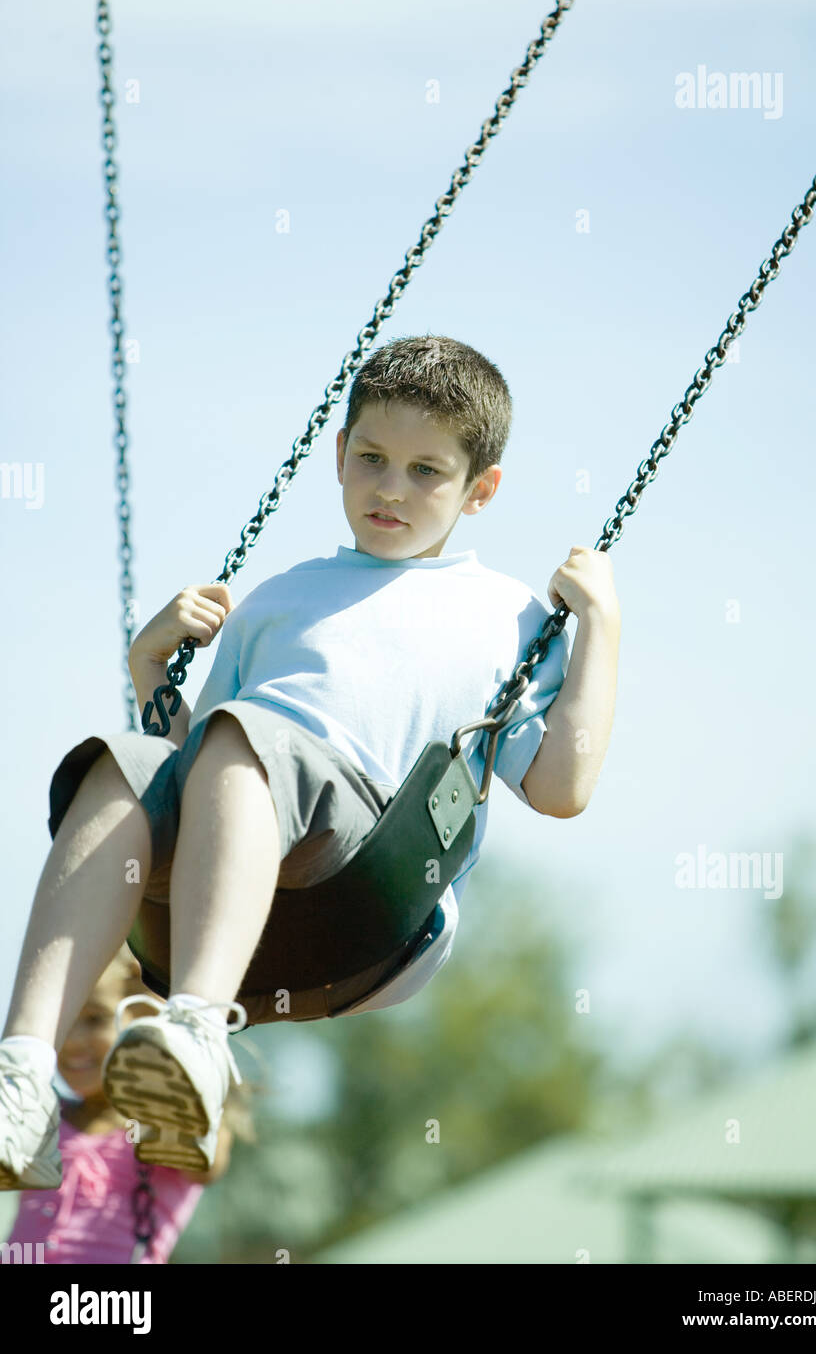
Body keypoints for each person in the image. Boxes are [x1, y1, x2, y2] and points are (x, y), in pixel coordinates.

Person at [0, 333, 621, 1193]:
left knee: (245, 735)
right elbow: (187, 792)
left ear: (480, 490)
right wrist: (150, 668)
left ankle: (195, 1037)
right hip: (251, 884)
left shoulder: (506, 617)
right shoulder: (278, 599)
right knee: (123, 762)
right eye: (371, 458)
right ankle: (23, 1077)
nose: (390, 489)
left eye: (426, 471)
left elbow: (560, 789)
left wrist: (601, 632)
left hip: (376, 893)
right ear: (337, 456)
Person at [1, 946, 253, 1263]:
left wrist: (164, 1054)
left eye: (95, 1019)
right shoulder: (43, 1116)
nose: (73, 1040)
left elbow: (209, 1163)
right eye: (63, 1022)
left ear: (143, 1014)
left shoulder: (167, 1122)